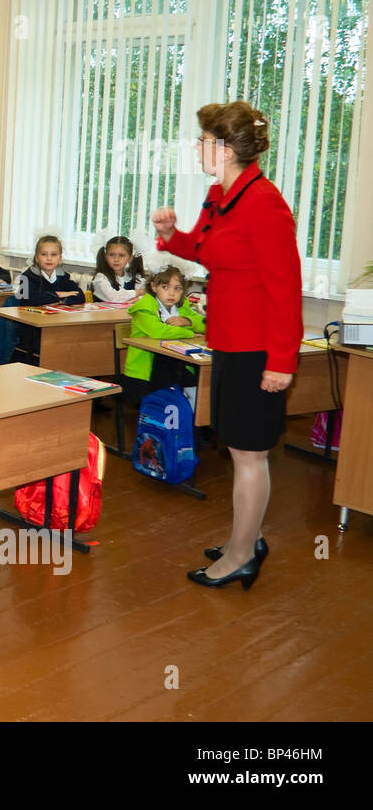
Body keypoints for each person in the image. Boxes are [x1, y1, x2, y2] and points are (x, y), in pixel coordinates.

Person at [152, 101, 302, 590]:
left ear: (224, 147)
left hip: (258, 351)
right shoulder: (222, 194)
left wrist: (281, 362)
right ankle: (247, 537)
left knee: (249, 453)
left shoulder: (264, 202)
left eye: (203, 140)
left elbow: (285, 290)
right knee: (239, 448)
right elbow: (205, 249)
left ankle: (240, 555)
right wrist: (172, 236)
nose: (197, 148)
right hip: (230, 344)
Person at [0, 234, 85, 363]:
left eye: (53, 254)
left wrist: (57, 299)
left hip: (53, 324)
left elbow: (80, 297)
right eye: (44, 254)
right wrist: (59, 295)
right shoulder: (27, 276)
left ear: (60, 258)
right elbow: (33, 300)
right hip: (28, 328)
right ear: (36, 257)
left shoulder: (64, 276)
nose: (49, 258)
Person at [123, 265, 206, 404]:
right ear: (154, 287)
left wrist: (187, 321)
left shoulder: (181, 307)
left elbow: (205, 324)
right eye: (165, 287)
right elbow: (159, 331)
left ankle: (192, 418)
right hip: (143, 373)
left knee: (198, 382)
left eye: (177, 288)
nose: (172, 293)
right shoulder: (144, 308)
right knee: (185, 384)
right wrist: (189, 333)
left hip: (174, 367)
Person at [92, 235, 146, 304]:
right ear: (105, 256)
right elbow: (113, 297)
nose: (116, 259)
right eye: (111, 255)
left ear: (130, 258)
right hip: (103, 314)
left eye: (121, 255)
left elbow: (144, 296)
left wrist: (135, 299)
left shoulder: (134, 277)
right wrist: (137, 292)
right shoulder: (101, 278)